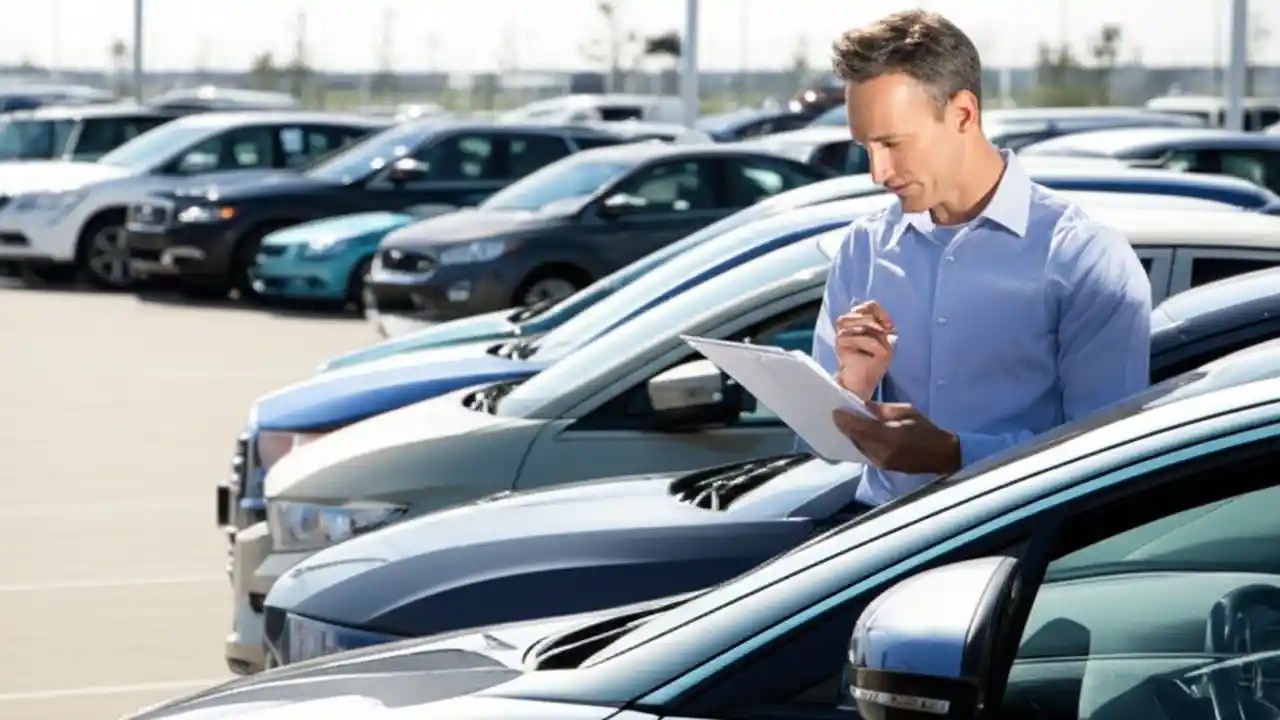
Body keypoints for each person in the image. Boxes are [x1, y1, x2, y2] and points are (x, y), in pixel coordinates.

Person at [811, 9, 1152, 507]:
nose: (877, 173)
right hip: (873, 547)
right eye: (866, 148)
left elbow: (1107, 453)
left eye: (892, 144)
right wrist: (853, 388)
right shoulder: (861, 250)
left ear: (963, 115)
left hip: (1022, 552)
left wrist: (954, 453)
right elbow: (824, 447)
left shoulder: (1083, 258)